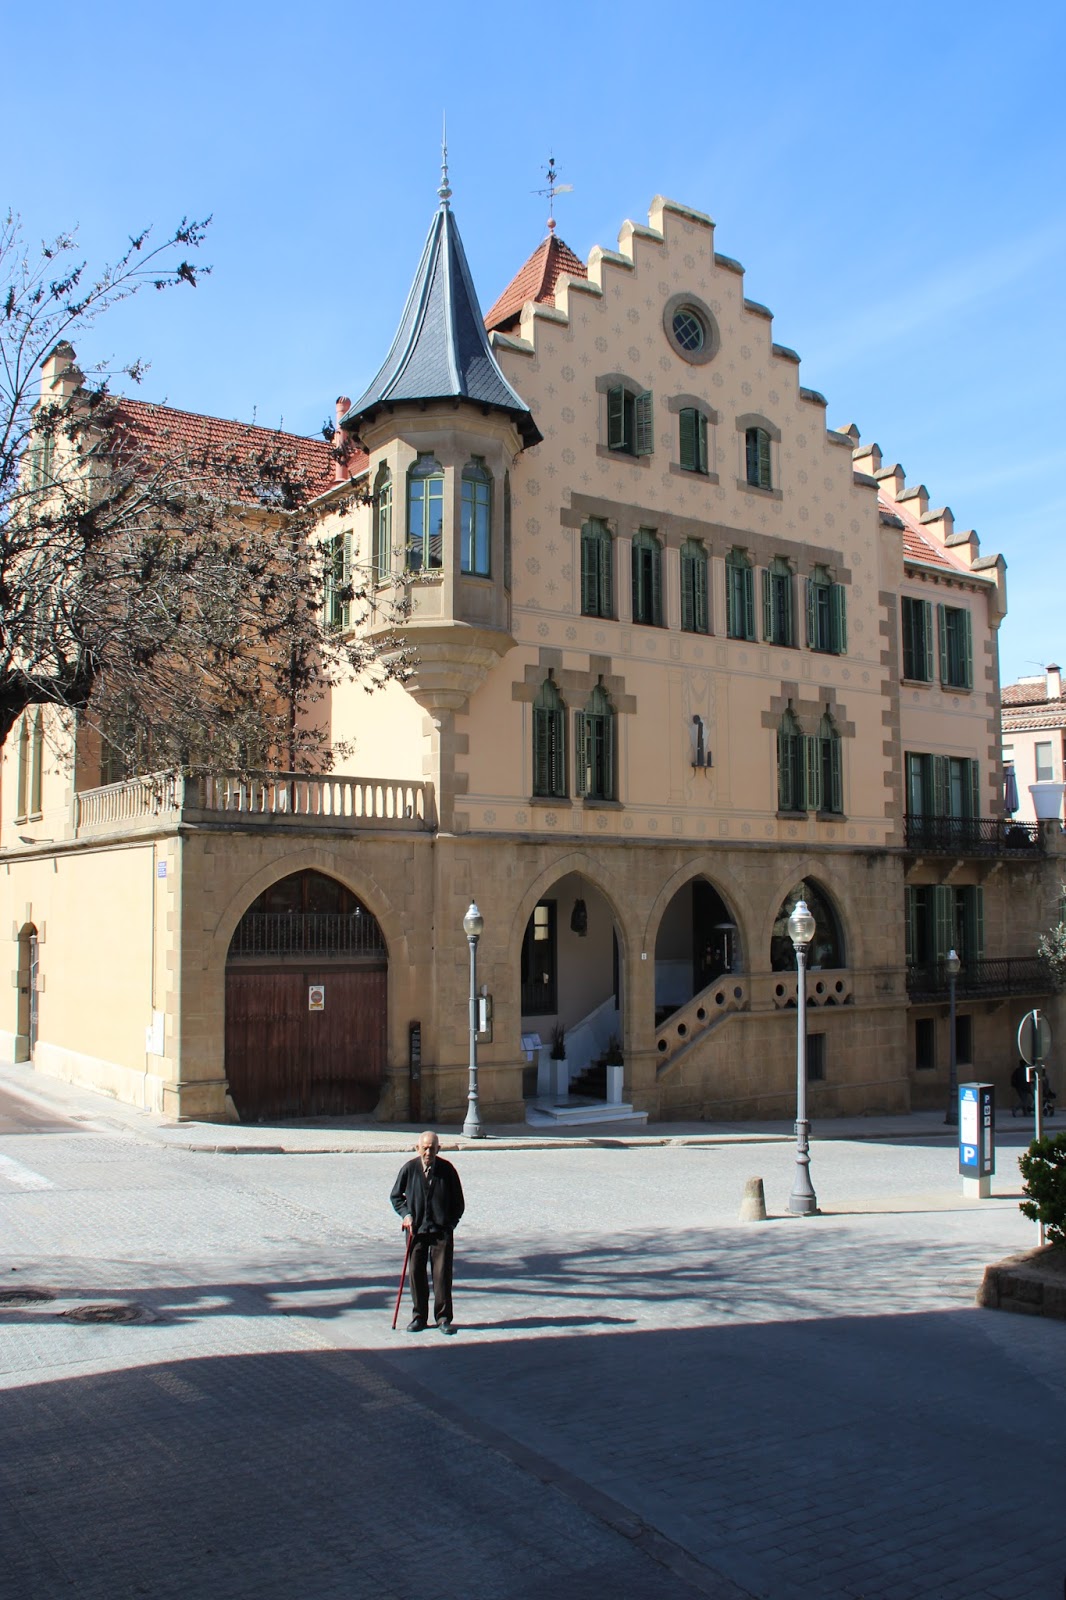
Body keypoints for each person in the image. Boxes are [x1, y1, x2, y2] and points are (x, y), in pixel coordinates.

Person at [390, 1130, 465, 1335]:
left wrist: (449, 1224)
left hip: (441, 1232)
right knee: (416, 1273)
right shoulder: (409, 1169)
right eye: (424, 1148)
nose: (428, 1152)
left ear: (438, 1149)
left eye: (432, 1148)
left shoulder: (447, 1170)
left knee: (442, 1275)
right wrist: (406, 1215)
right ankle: (419, 1317)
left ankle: (443, 1318)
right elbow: (396, 1196)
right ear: (418, 1148)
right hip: (416, 1231)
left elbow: (459, 1203)